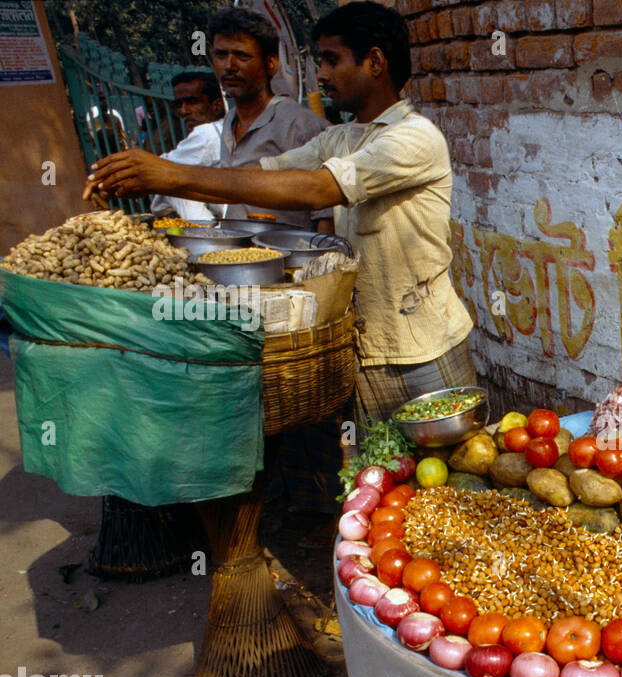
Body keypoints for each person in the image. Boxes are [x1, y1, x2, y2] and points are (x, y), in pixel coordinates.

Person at [84, 0, 475, 427]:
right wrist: (164, 176)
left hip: (420, 350)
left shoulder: (413, 137)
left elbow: (316, 189)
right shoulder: (342, 137)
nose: (321, 75)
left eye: (330, 60)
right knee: (376, 481)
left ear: (375, 62)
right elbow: (265, 173)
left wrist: (171, 176)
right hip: (363, 348)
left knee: (446, 476)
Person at [206, 5, 331, 229]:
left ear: (271, 63)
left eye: (242, 56)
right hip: (238, 256)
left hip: (289, 259)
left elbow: (327, 215)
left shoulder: (300, 124)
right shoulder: (230, 121)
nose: (229, 66)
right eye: (221, 55)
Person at [151, 71, 226, 222]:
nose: (183, 111)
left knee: (173, 185)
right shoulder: (225, 127)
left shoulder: (206, 133)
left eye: (192, 102)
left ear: (217, 106)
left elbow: (162, 169)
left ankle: (208, 235)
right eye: (179, 104)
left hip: (234, 210)